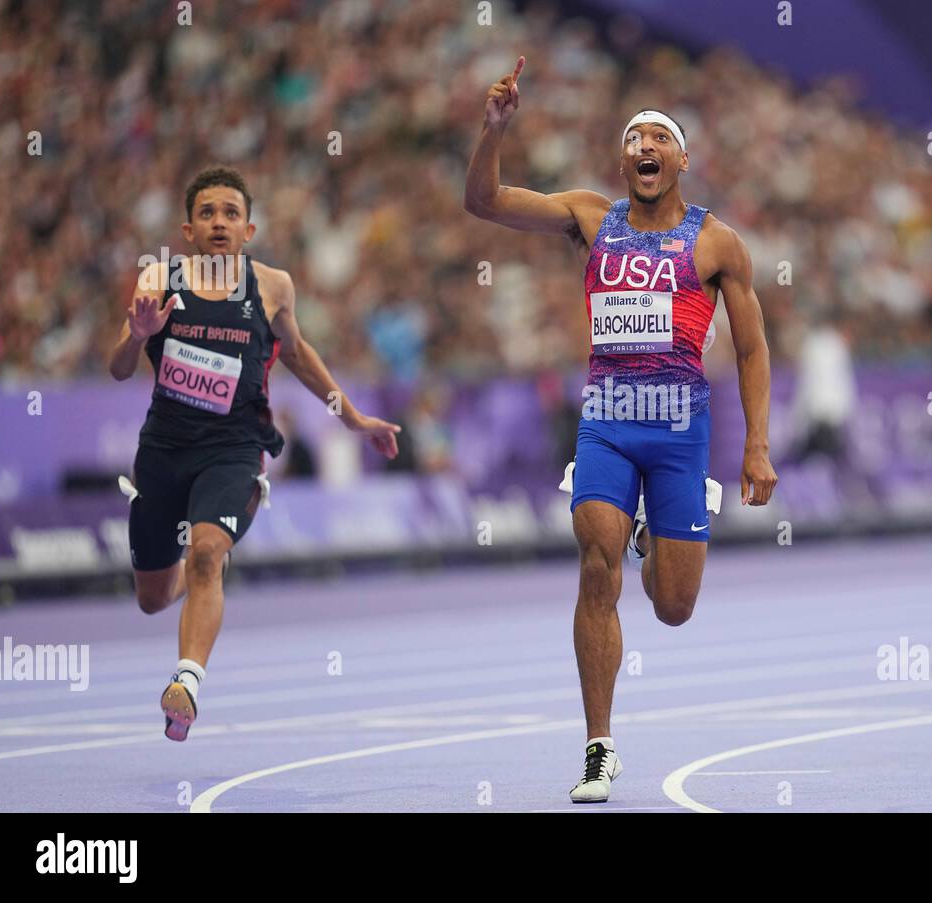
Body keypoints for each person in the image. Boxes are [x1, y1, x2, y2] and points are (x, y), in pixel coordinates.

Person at [465, 57, 778, 801]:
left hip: (679, 436)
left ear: (680, 161)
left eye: (657, 139)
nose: (644, 146)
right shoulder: (588, 215)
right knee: (594, 563)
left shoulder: (717, 244)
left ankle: (655, 538)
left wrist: (757, 443)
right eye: (633, 137)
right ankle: (599, 745)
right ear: (623, 160)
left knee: (672, 606)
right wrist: (493, 131)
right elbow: (484, 201)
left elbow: (755, 346)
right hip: (605, 425)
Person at [109, 166, 401, 740]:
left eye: (231, 213)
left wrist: (355, 417)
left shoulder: (272, 286)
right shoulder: (157, 278)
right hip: (164, 451)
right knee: (151, 598)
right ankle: (199, 576)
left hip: (235, 447)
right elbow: (119, 369)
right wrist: (138, 333)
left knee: (206, 552)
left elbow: (297, 355)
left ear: (249, 229)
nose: (219, 222)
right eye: (208, 213)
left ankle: (186, 682)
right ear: (187, 228)